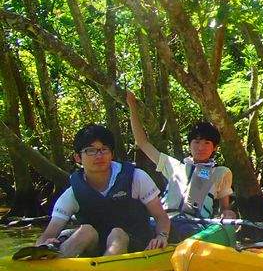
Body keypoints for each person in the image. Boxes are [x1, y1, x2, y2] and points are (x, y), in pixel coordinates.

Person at [35, 124, 171, 257]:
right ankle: (54, 268)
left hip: (133, 244)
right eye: (90, 150)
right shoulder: (73, 194)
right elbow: (49, 233)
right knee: (85, 231)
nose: (99, 156)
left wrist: (161, 236)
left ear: (111, 154)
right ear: (77, 157)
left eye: (104, 149)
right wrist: (44, 244)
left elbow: (161, 217)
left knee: (117, 234)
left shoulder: (137, 178)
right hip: (95, 248)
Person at [127, 91, 236, 240]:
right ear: (189, 144)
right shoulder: (173, 165)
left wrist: (228, 214)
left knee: (182, 232)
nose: (201, 147)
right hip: (164, 221)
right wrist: (132, 106)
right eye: (196, 142)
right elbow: (142, 143)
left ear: (214, 147)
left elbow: (225, 208)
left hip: (194, 226)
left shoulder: (221, 173)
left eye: (207, 143)